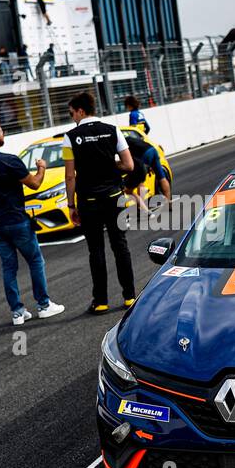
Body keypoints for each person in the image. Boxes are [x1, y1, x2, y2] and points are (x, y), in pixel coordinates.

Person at [0, 119, 65, 326]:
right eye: (1, 132)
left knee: (8, 267)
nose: (3, 134)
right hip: (17, 220)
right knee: (35, 261)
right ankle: (44, 305)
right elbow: (35, 183)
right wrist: (42, 168)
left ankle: (17, 313)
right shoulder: (10, 160)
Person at [63, 92, 136, 314]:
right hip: (114, 197)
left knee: (96, 250)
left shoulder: (70, 136)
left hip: (89, 201)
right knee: (120, 245)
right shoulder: (113, 130)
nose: (72, 117)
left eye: (72, 113)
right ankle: (130, 297)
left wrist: (71, 205)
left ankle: (101, 301)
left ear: (81, 111)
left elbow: (69, 176)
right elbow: (129, 165)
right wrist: (108, 164)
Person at [123, 125, 171, 208]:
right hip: (152, 149)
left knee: (140, 181)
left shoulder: (116, 142)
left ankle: (142, 207)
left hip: (144, 154)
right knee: (162, 178)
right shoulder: (128, 137)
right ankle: (169, 203)